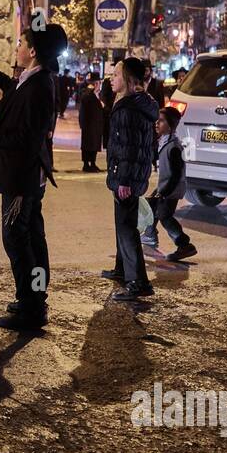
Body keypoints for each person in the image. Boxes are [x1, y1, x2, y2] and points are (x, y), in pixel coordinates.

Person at [0, 24, 65, 331]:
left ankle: (30, 306)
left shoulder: (39, 86)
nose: (17, 46)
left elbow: (26, 138)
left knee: (18, 240)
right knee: (32, 238)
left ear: (33, 51)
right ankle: (35, 299)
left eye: (22, 42)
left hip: (22, 177)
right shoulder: (32, 80)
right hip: (27, 176)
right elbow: (10, 86)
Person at [103, 57, 160, 302]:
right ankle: (122, 269)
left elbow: (130, 148)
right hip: (127, 175)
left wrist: (124, 179)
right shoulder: (134, 103)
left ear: (128, 80)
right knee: (122, 224)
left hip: (126, 176)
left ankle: (139, 282)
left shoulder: (129, 108)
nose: (111, 78)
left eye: (116, 74)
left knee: (127, 229)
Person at [144, 106, 196, 261]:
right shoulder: (164, 142)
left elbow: (175, 174)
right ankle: (149, 235)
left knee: (165, 216)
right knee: (151, 207)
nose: (156, 123)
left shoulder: (174, 146)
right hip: (165, 186)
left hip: (171, 189)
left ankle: (184, 245)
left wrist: (164, 191)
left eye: (161, 121)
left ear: (171, 124)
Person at [78, 72, 106, 173]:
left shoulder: (98, 94)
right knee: (87, 144)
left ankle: (93, 163)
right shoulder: (87, 93)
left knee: (95, 144)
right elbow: (84, 108)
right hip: (88, 123)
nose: (99, 85)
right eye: (98, 82)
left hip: (96, 123)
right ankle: (86, 164)